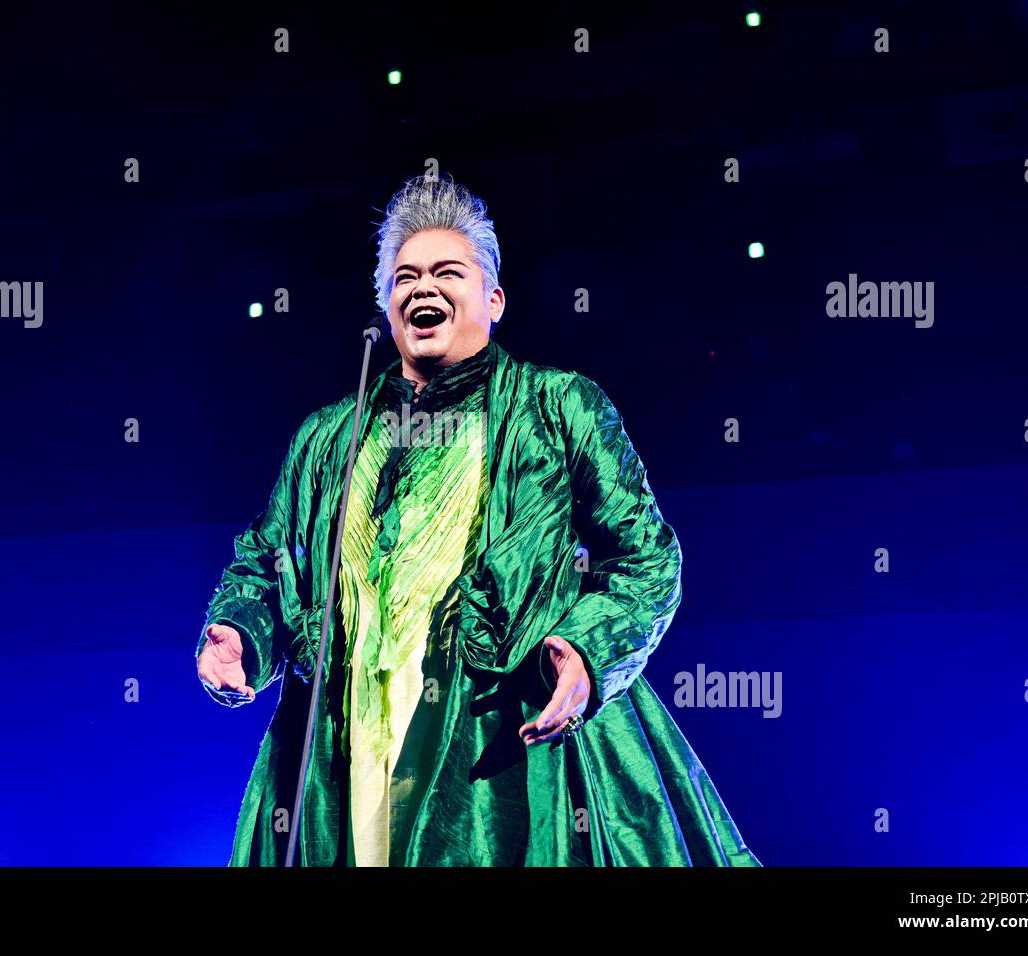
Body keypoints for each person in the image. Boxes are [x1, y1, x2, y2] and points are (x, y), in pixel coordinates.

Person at [196, 175, 761, 867]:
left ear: (492, 299)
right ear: (386, 303)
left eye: (446, 272)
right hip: (348, 757)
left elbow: (646, 556)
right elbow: (266, 558)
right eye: (405, 276)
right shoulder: (326, 441)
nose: (422, 286)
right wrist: (239, 632)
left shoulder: (558, 408)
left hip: (503, 754)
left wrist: (587, 649)